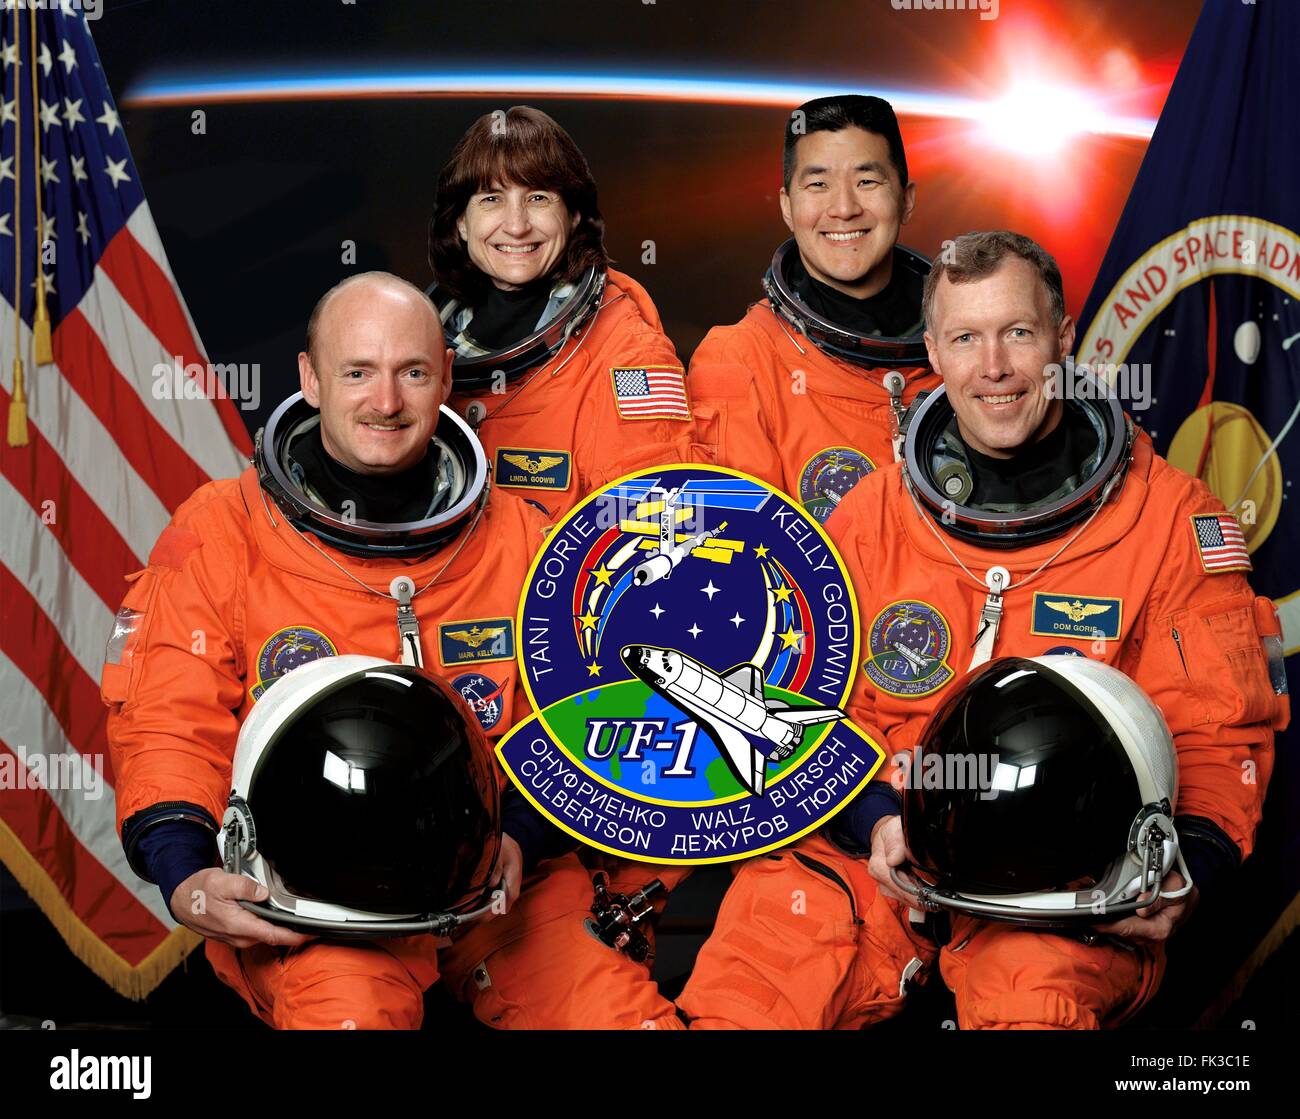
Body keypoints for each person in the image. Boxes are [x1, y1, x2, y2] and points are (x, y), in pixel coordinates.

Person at [672, 231, 1287, 1030]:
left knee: (1032, 1000)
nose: (992, 367)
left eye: (1018, 333)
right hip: (880, 845)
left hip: (1067, 871)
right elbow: (801, 705)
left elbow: (1218, 730)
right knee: (756, 984)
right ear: (933, 350)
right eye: (965, 338)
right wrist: (874, 820)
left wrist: (1185, 868)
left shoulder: (1170, 520)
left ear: (1063, 339)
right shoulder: (872, 517)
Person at [101, 271, 573, 1029]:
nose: (385, 402)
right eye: (357, 371)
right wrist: (185, 869)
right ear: (310, 379)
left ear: (446, 378)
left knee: (603, 1012)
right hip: (312, 902)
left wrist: (521, 833)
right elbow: (165, 715)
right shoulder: (224, 529)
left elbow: (576, 718)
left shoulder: (521, 539)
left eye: (412, 372)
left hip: (494, 889)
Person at [429, 105, 692, 520]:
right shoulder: (419, 348)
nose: (516, 226)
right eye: (492, 199)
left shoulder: (629, 354)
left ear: (572, 215)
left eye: (537, 198)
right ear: (461, 222)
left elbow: (655, 523)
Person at [688, 94, 939, 521]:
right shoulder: (741, 361)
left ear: (907, 199)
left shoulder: (971, 351)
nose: (843, 208)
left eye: (867, 181)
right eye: (818, 184)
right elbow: (741, 547)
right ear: (788, 206)